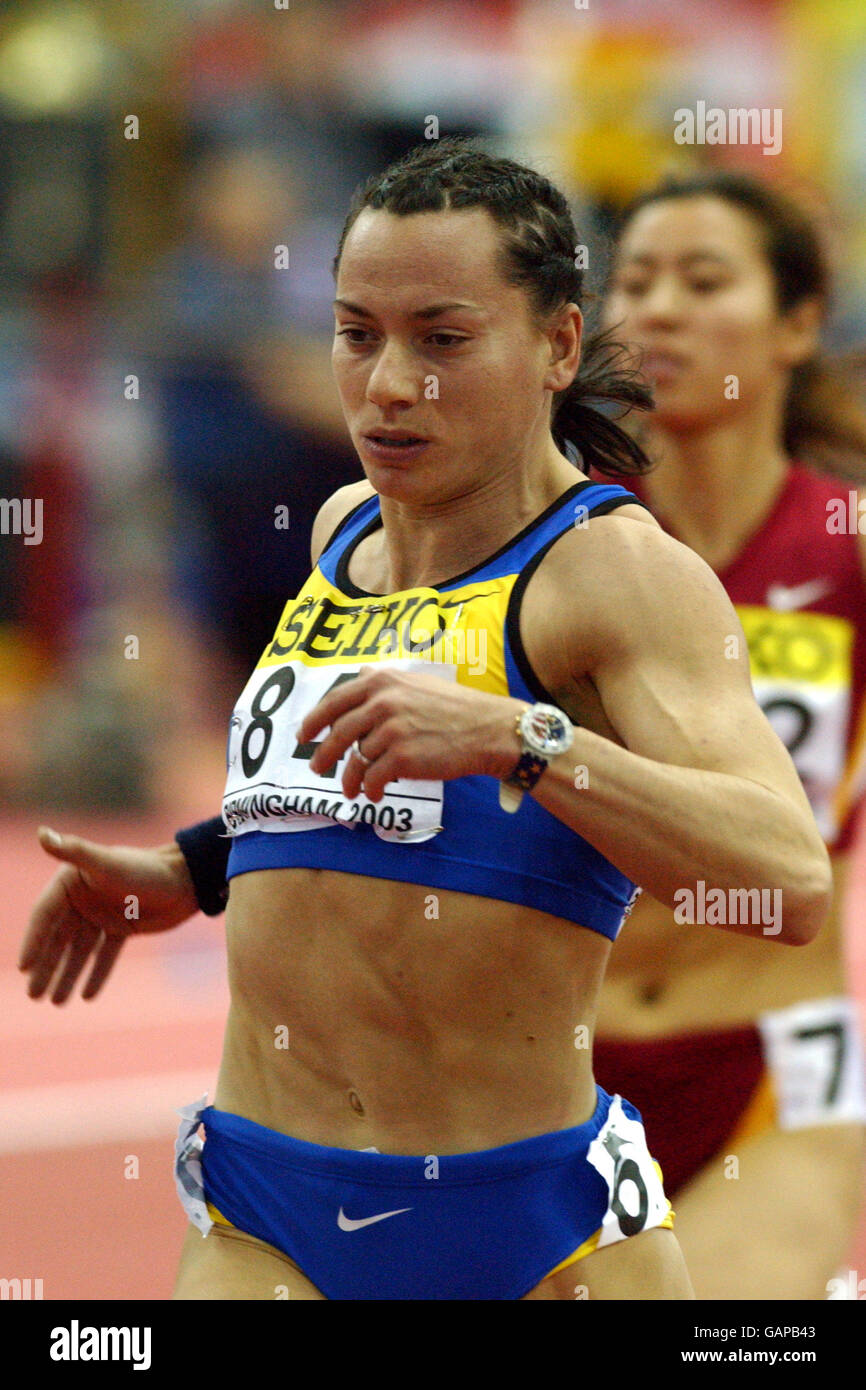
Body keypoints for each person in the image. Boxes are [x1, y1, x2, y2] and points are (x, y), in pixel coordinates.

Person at [19, 141, 832, 1301]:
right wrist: (193, 864)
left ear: (555, 343)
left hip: (532, 1225)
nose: (388, 383)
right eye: (356, 333)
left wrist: (523, 739)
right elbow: (355, 790)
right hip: (267, 1206)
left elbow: (786, 877)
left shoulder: (612, 574)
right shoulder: (341, 533)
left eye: (441, 340)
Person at [594, 171, 866, 1300]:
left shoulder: (847, 547)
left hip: (782, 1055)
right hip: (551, 1066)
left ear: (797, 322)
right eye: (635, 282)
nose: (658, 310)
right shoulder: (557, 543)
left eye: (703, 281)